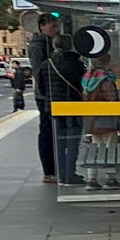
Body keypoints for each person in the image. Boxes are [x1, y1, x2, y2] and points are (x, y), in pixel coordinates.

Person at [45, 34, 87, 186]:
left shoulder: (47, 64)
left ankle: (61, 174)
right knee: (73, 141)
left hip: (54, 108)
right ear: (70, 46)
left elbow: (42, 88)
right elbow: (82, 84)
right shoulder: (77, 64)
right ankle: (70, 174)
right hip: (73, 106)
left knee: (59, 142)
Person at [82, 55, 120, 191]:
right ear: (105, 63)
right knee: (110, 149)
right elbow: (113, 102)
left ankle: (91, 179)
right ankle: (110, 179)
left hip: (92, 120)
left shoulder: (87, 78)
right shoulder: (106, 80)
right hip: (108, 120)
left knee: (95, 149)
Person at [26, 14, 60, 183]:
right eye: (52, 26)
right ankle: (49, 170)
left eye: (56, 26)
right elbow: (39, 72)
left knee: (53, 131)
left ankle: (54, 167)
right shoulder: (38, 46)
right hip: (46, 95)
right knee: (47, 131)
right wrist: (47, 94)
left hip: (51, 94)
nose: (56, 30)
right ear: (42, 27)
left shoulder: (49, 43)